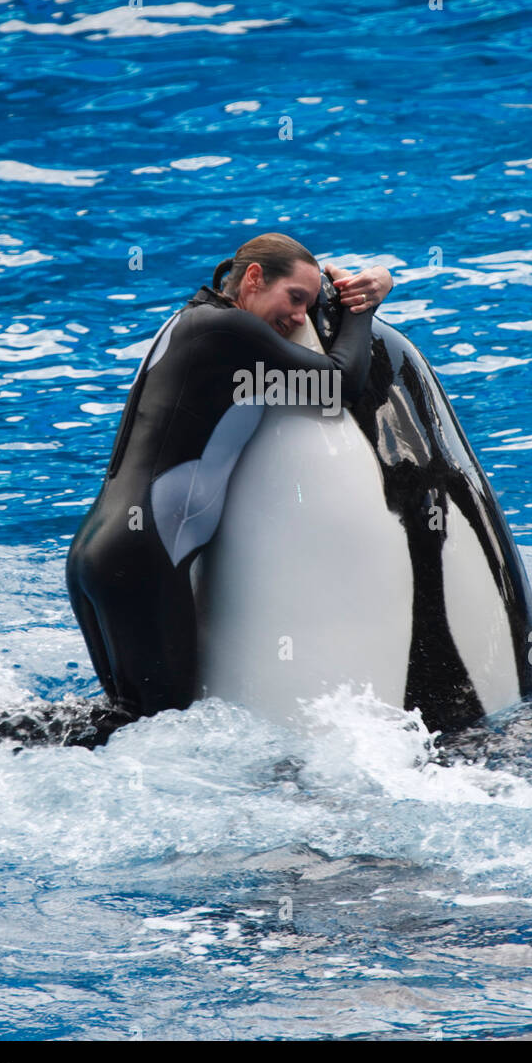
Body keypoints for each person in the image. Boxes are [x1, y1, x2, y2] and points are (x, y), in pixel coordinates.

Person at [64, 234, 393, 723]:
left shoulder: (199, 323)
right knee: (160, 733)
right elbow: (338, 385)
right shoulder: (228, 330)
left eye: (309, 304)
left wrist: (368, 280)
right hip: (144, 558)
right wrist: (361, 311)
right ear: (254, 279)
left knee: (123, 722)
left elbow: (309, 361)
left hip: (104, 553)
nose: (301, 316)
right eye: (295, 299)